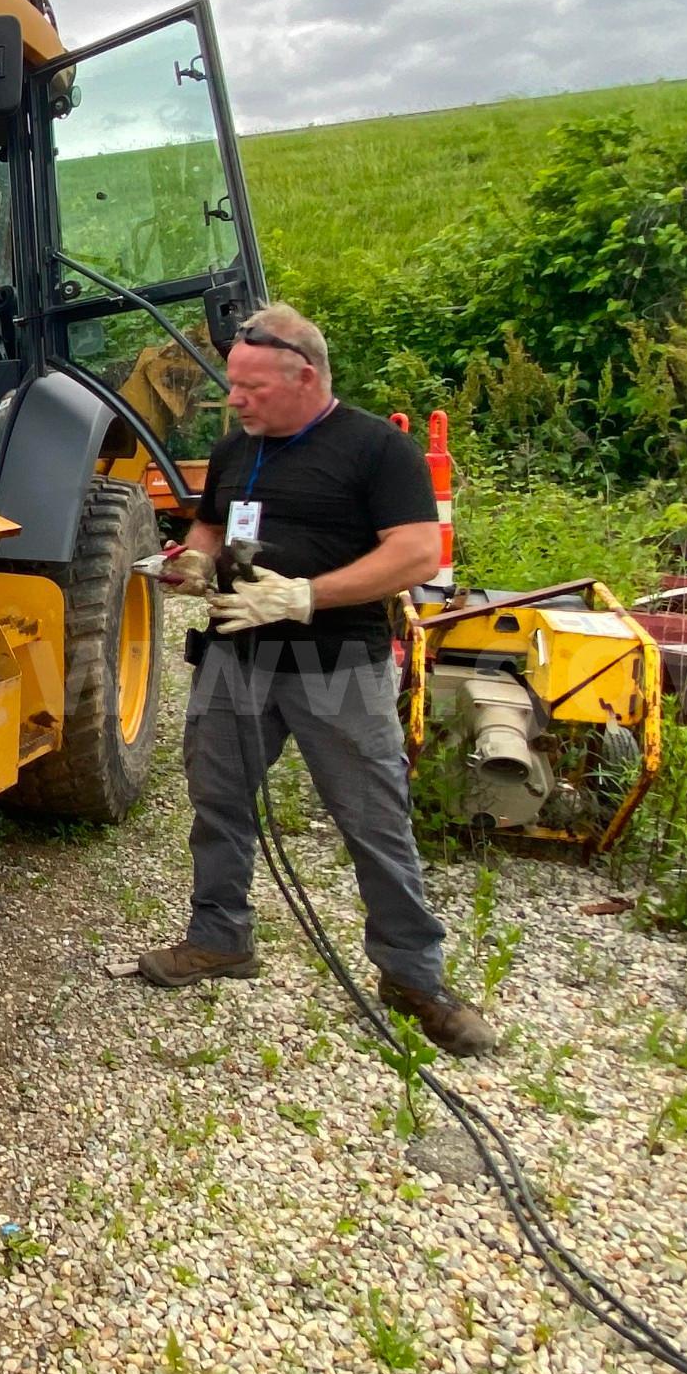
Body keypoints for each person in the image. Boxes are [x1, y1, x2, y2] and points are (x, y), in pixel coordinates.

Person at [138, 304, 497, 1057]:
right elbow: (211, 523)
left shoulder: (377, 450)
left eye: (251, 387)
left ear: (305, 376)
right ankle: (220, 936)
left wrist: (305, 595)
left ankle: (413, 977)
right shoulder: (239, 448)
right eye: (231, 386)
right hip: (237, 658)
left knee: (374, 822)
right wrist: (197, 560)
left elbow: (416, 555)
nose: (233, 400)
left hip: (338, 667)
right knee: (219, 803)